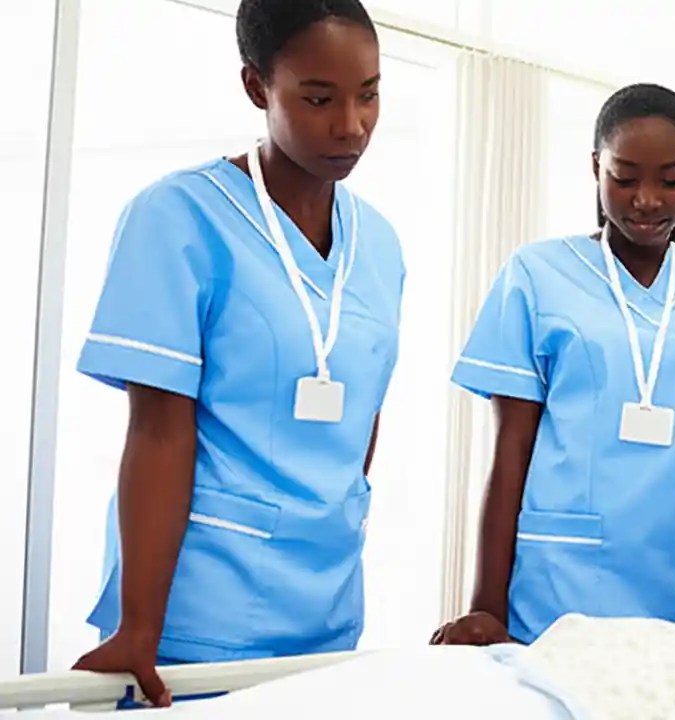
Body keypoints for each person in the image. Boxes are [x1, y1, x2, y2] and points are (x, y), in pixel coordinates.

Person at [70, 0, 401, 707]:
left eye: (368, 94)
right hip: (200, 611)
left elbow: (362, 420)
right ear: (257, 88)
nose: (352, 124)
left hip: (328, 609)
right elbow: (159, 432)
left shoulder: (380, 245)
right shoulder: (179, 218)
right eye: (319, 98)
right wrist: (139, 626)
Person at [431, 83, 675, 647]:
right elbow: (511, 449)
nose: (647, 199)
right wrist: (485, 610)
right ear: (595, 167)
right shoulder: (537, 273)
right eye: (624, 178)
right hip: (558, 593)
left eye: (671, 180)